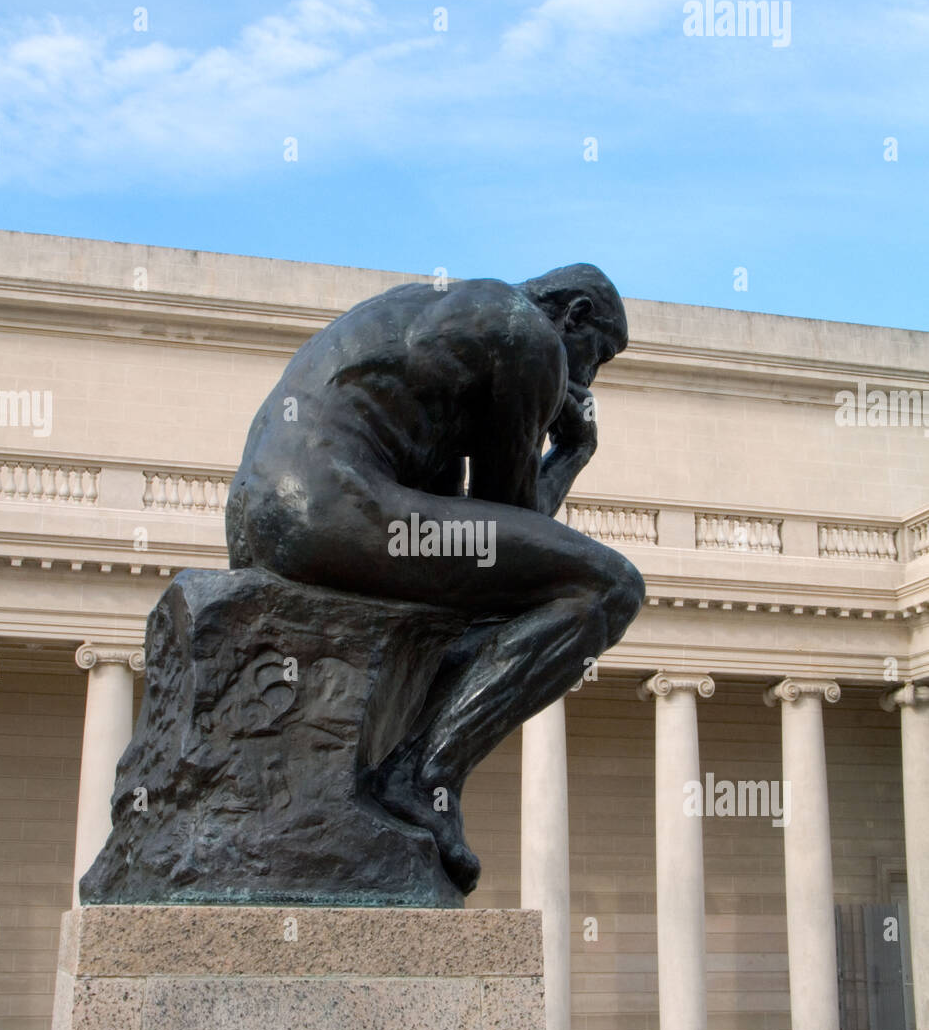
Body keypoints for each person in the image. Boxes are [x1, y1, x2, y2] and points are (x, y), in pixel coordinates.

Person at [227, 263, 646, 893]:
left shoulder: (440, 321)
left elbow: (483, 533)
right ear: (575, 315)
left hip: (262, 520)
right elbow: (518, 517)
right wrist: (572, 452)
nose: (588, 377)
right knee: (609, 587)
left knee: (473, 614)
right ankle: (424, 777)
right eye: (598, 353)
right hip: (330, 507)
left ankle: (388, 770)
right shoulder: (528, 334)